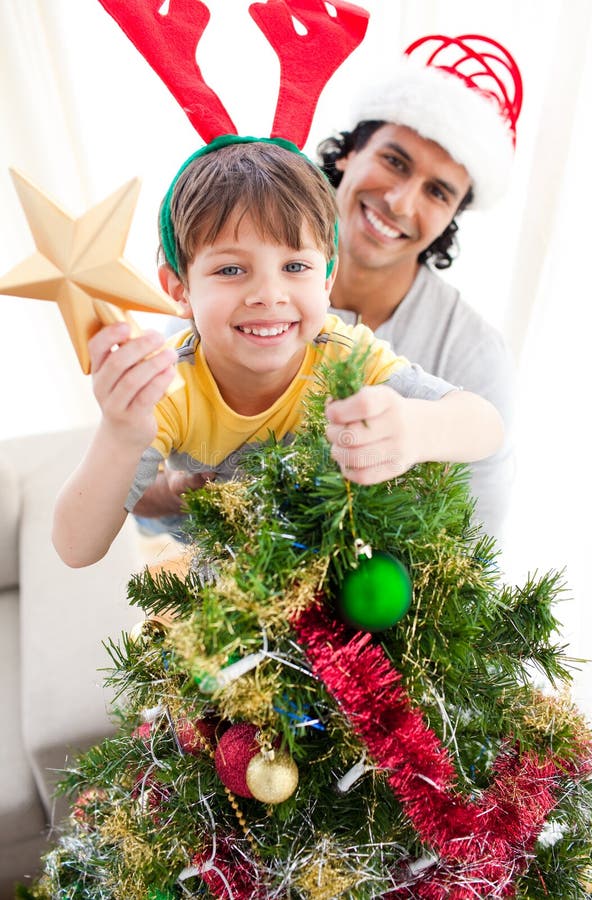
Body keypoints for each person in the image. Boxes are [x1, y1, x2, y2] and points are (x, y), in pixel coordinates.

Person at [135, 37, 521, 541]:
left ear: (452, 216)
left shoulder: (471, 351)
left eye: (437, 191)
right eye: (396, 161)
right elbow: (139, 501)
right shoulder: (226, 294)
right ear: (350, 152)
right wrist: (186, 490)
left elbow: (479, 531)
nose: (401, 203)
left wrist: (418, 429)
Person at [52, 139, 503, 568]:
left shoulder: (343, 353)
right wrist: (121, 434)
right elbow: (75, 547)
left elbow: (486, 425)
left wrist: (415, 428)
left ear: (326, 279)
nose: (269, 294)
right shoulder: (169, 387)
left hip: (341, 589)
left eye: (295, 267)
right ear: (180, 290)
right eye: (231, 269)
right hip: (230, 609)